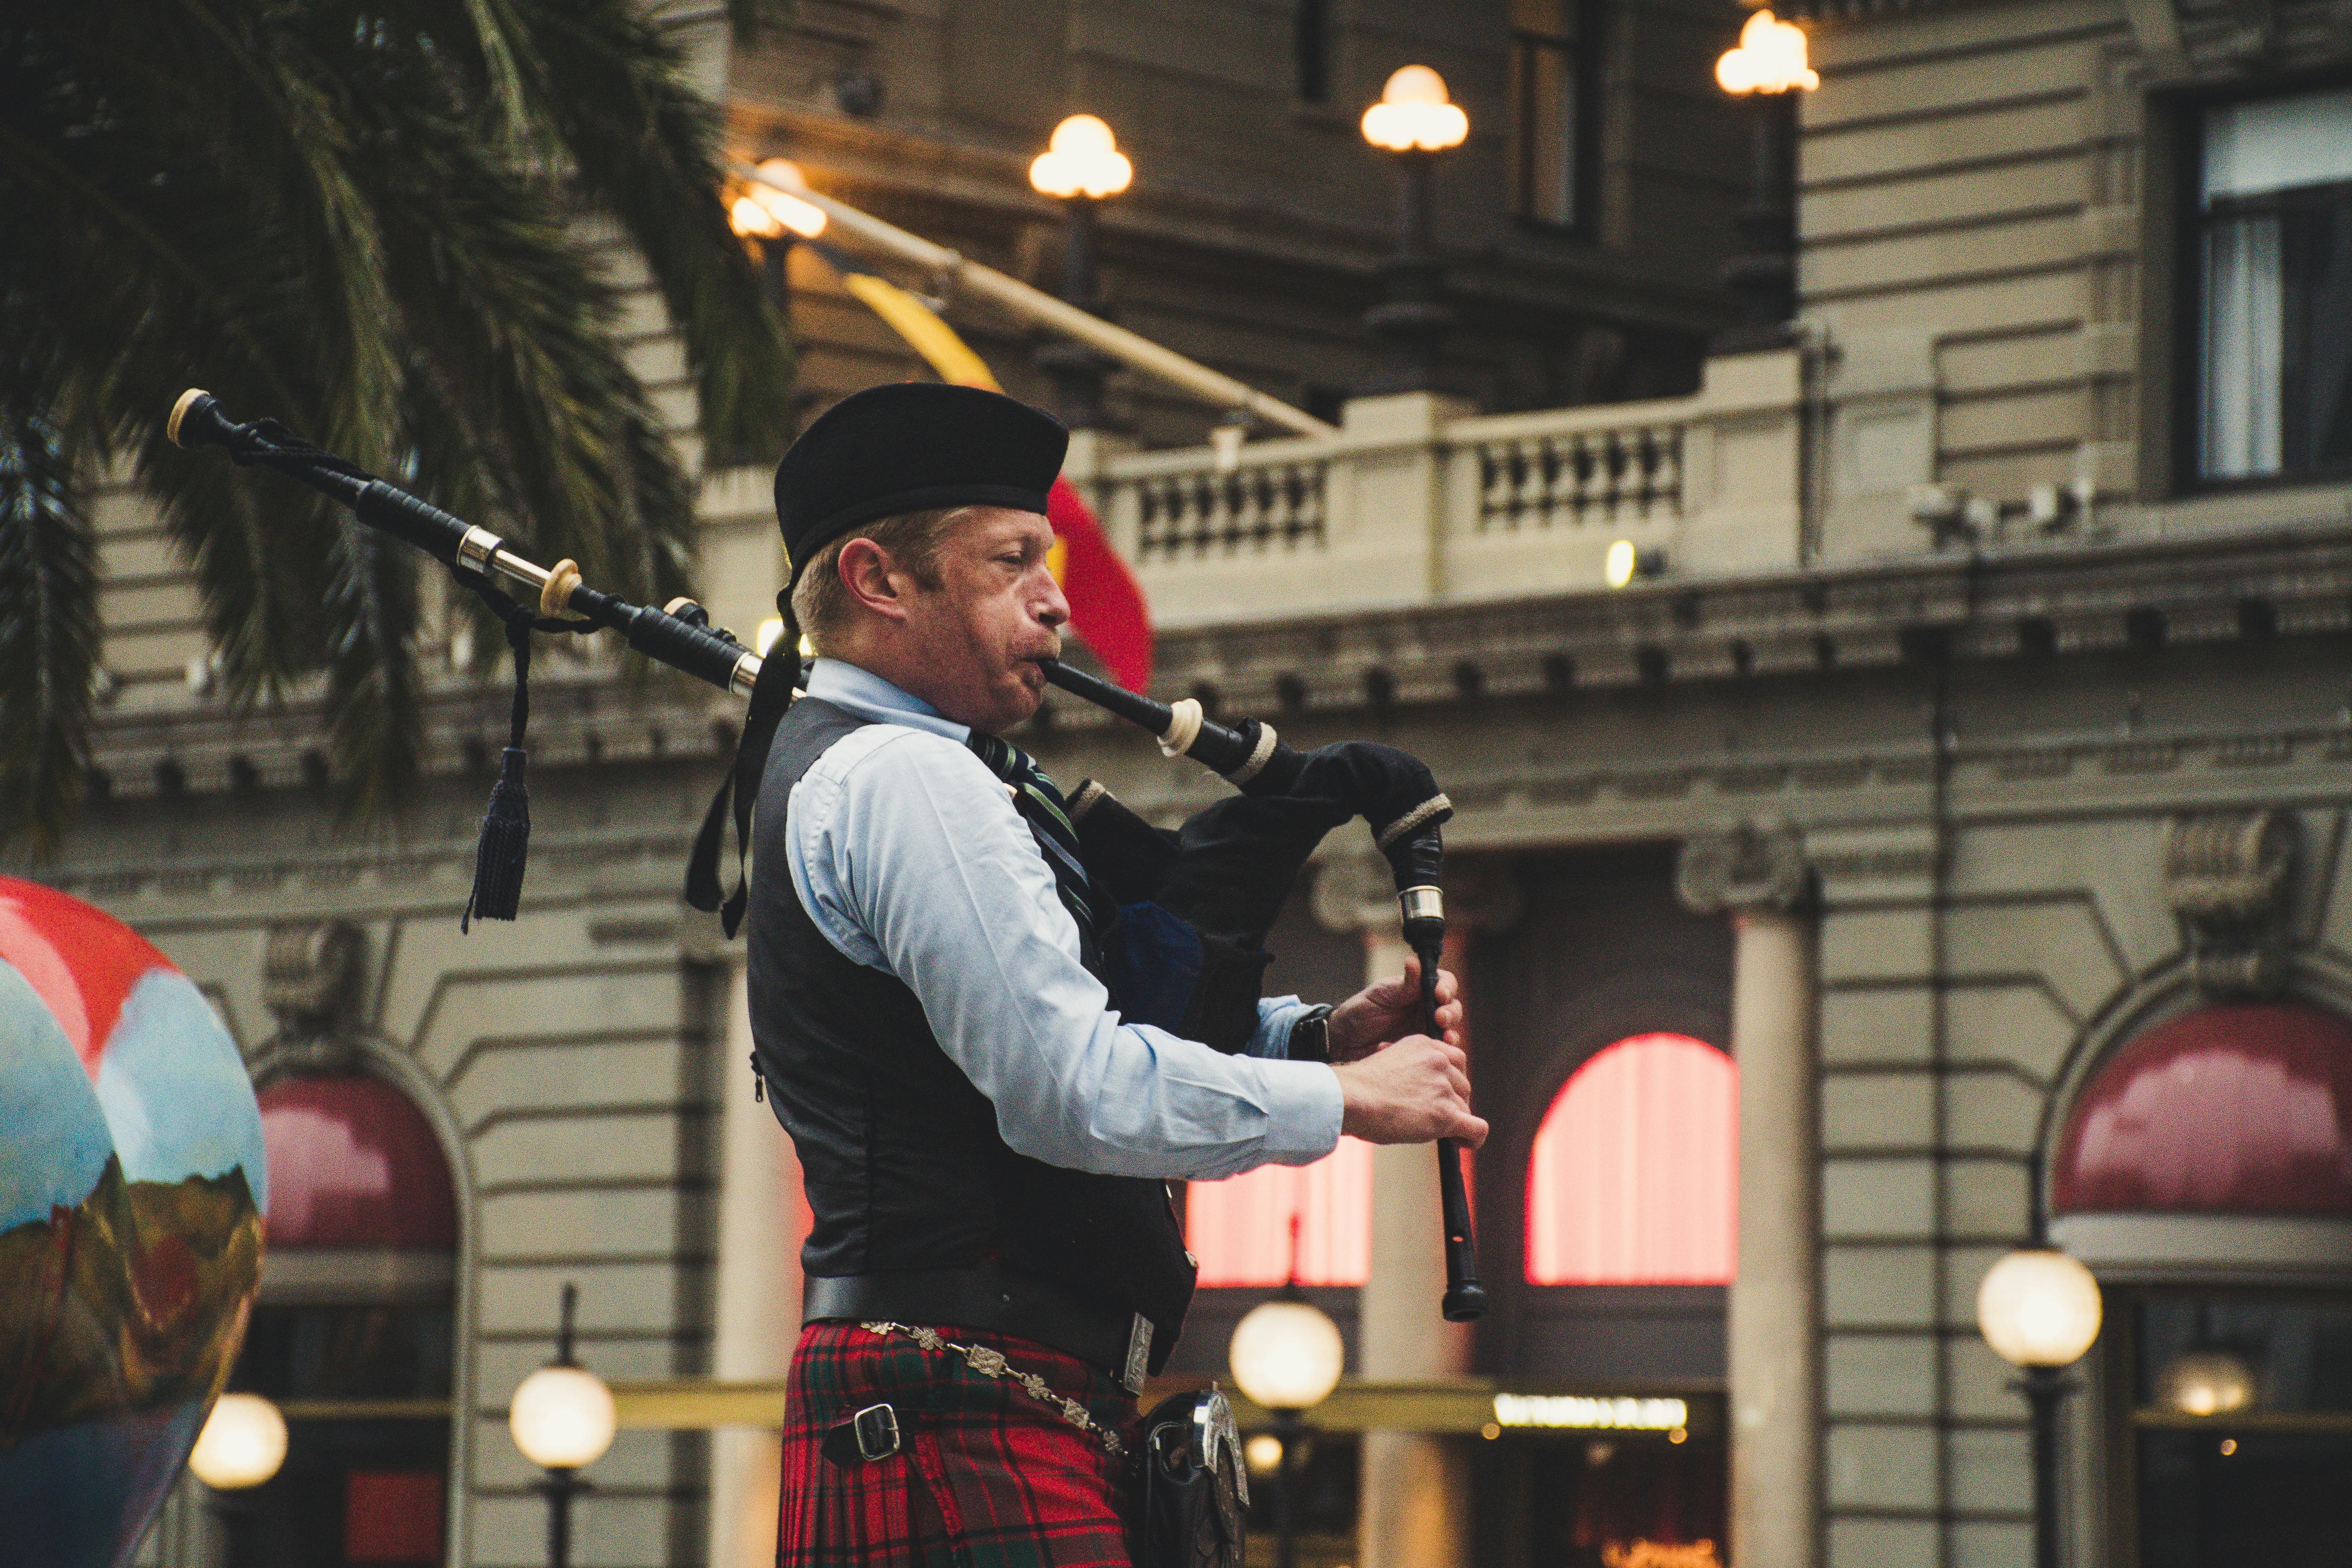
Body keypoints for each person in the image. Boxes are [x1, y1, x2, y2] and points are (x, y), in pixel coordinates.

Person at [747, 382, 1485, 1567]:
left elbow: (1055, 1029)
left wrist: (1311, 1040)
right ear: (880, 580)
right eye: (1010, 563)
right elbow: (1067, 1091)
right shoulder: (909, 781)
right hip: (956, 1405)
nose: (1055, 601)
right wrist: (1352, 1104)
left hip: (961, 1400)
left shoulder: (889, 766)